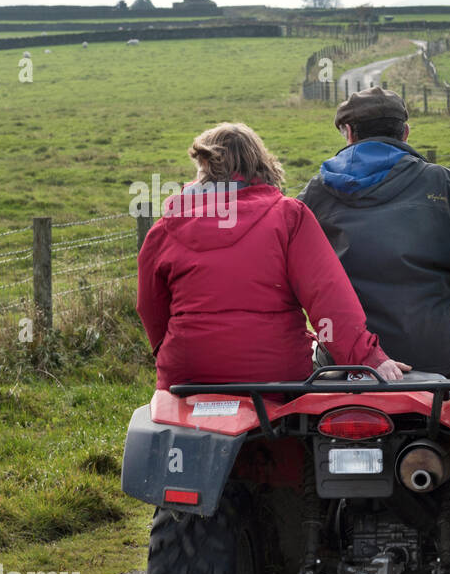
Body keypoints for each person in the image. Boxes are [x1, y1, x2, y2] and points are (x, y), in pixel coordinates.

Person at [137, 122, 411, 391]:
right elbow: (327, 298)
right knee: (288, 432)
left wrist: (173, 349)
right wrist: (366, 358)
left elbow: (150, 307)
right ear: (259, 164)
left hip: (187, 373)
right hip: (274, 374)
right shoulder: (288, 216)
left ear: (204, 169)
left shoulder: (166, 227)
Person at [297, 87, 450, 379]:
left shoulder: (313, 195)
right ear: (406, 133)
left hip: (344, 362)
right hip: (439, 358)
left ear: (348, 133)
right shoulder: (446, 185)